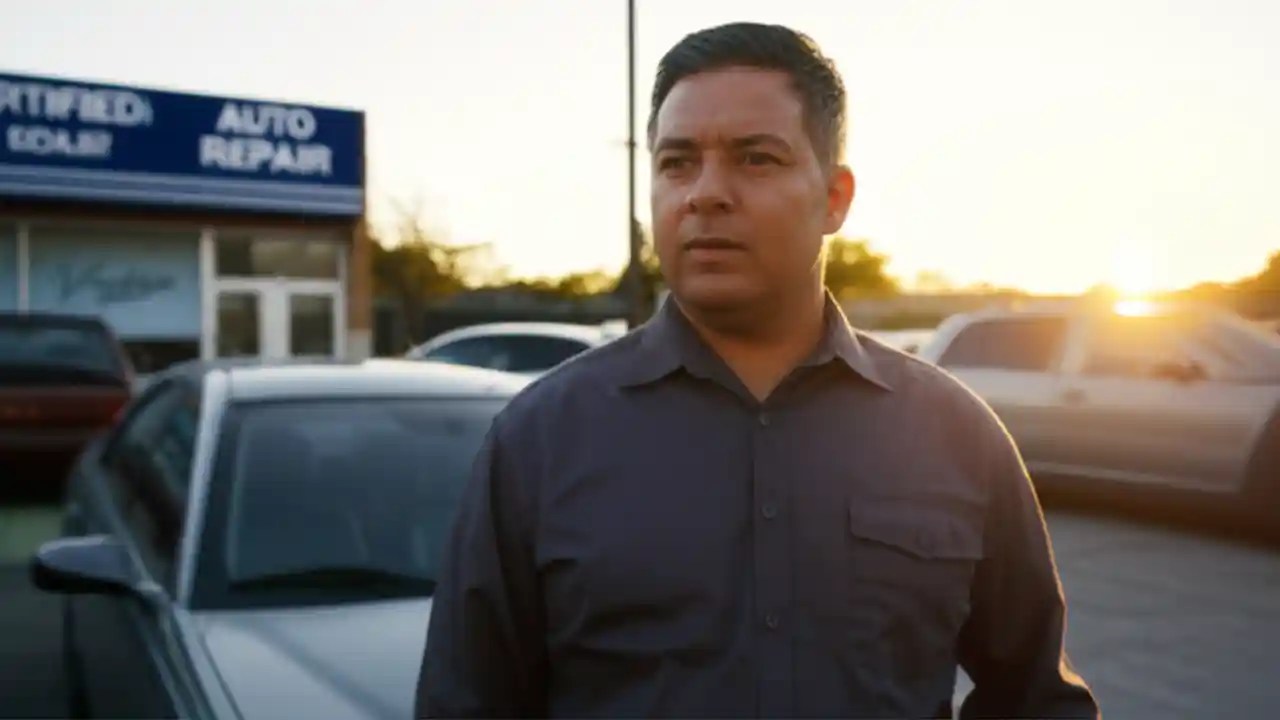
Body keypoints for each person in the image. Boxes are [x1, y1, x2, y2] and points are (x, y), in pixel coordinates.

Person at [416, 21, 1099, 719]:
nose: (705, 194)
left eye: (756, 159)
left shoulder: (956, 435)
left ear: (835, 197)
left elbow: (1038, 700)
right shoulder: (539, 440)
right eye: (677, 162)